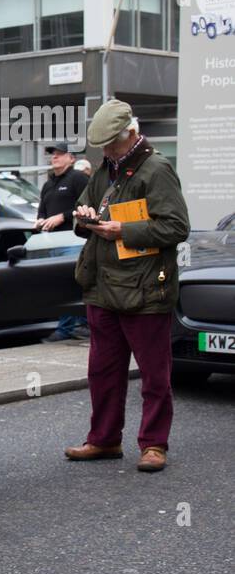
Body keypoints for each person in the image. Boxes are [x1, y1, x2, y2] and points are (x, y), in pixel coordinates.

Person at [65, 100, 190, 473]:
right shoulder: (107, 169)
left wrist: (125, 230)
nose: (105, 152)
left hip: (147, 289)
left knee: (154, 374)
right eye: (101, 146)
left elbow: (177, 227)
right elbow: (83, 208)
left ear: (130, 135)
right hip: (103, 288)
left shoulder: (156, 169)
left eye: (110, 145)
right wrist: (83, 218)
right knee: (102, 371)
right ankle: (104, 439)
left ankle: (153, 444)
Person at [36, 140, 91, 341]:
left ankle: (66, 329)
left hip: (72, 241)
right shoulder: (48, 184)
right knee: (60, 286)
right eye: (53, 153)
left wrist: (62, 217)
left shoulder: (78, 178)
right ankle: (79, 326)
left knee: (71, 284)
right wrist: (40, 220)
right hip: (51, 242)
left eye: (60, 153)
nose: (55, 156)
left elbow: (87, 205)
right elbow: (42, 209)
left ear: (71, 158)